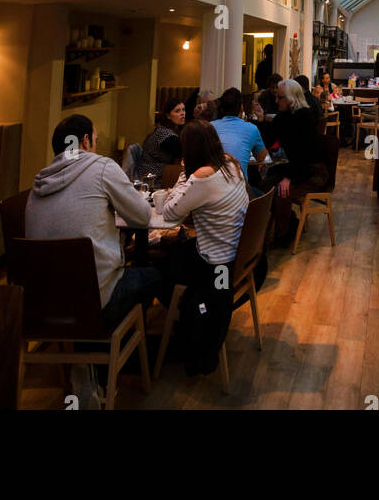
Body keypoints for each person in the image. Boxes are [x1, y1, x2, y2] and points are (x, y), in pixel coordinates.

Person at [25, 114, 160, 407]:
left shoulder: (39, 181)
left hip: (40, 307)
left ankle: (84, 363)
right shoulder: (101, 167)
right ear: (85, 141)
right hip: (93, 304)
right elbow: (141, 215)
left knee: (94, 276)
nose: (96, 146)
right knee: (153, 276)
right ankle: (110, 363)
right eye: (96, 140)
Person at [160, 121, 249, 376]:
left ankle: (175, 326)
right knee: (172, 249)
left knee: (161, 268)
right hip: (236, 255)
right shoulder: (230, 163)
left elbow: (170, 211)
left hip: (213, 262)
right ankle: (182, 319)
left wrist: (184, 175)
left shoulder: (202, 176)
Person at [266, 79, 328, 242]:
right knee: (262, 187)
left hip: (313, 171)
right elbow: (271, 141)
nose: (276, 101)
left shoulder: (304, 117)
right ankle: (289, 221)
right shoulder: (283, 116)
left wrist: (288, 177)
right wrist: (260, 121)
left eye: (280, 98)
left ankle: (283, 236)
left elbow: (304, 154)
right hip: (295, 168)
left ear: (292, 99)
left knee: (281, 193)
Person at [211, 87, 269, 177]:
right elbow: (261, 158)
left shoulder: (209, 127)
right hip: (239, 187)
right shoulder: (251, 128)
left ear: (221, 108)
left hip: (213, 185)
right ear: (241, 107)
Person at [136, 96, 185, 185]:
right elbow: (184, 152)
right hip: (152, 178)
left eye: (183, 110)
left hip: (162, 171)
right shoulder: (165, 134)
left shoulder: (168, 129)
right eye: (177, 111)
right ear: (168, 116)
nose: (182, 113)